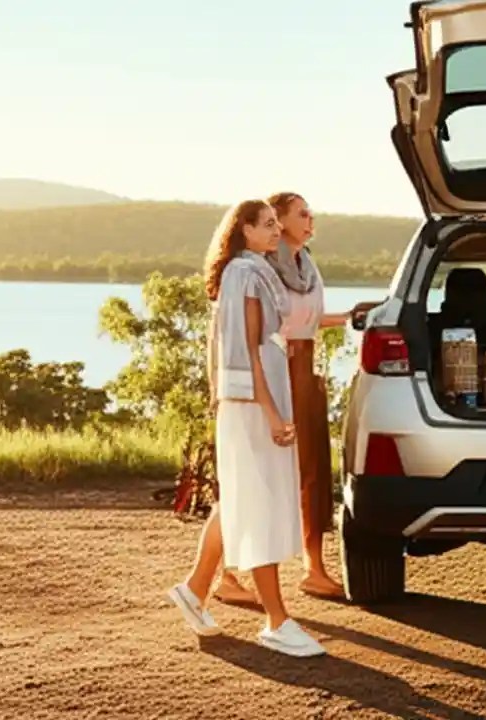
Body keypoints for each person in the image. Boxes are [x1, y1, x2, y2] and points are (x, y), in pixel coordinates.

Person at [166, 199, 327, 656]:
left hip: (259, 404)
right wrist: (273, 413)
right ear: (245, 230)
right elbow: (250, 352)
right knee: (259, 503)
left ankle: (195, 589)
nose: (276, 230)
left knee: (241, 499)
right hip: (254, 407)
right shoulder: (244, 274)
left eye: (279, 223)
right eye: (268, 224)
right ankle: (277, 620)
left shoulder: (255, 271)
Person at [212, 191, 349, 604]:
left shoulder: (308, 267)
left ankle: (314, 567)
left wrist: (352, 317)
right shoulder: (257, 270)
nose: (311, 220)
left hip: (304, 367)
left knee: (311, 469)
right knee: (259, 476)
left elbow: (307, 319)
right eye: (301, 214)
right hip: (275, 370)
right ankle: (229, 574)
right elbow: (249, 335)